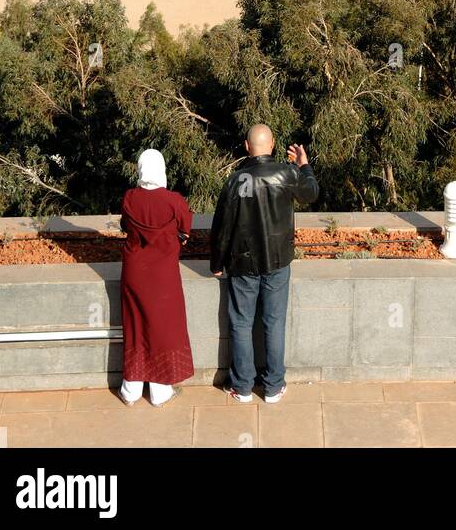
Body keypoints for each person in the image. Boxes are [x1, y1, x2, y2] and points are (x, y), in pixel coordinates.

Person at [210, 125, 318, 404]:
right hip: (278, 261)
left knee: (241, 324)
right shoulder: (287, 173)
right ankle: (273, 386)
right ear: (271, 145)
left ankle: (243, 386)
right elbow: (311, 193)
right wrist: (304, 166)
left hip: (243, 264)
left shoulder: (236, 179)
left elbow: (222, 226)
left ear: (247, 147)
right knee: (274, 322)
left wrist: (217, 263)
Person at [118, 149, 194, 407]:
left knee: (135, 326)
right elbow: (186, 228)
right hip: (164, 276)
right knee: (162, 329)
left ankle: (131, 390)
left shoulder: (130, 198)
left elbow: (125, 226)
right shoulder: (174, 201)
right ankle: (160, 391)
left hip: (134, 274)